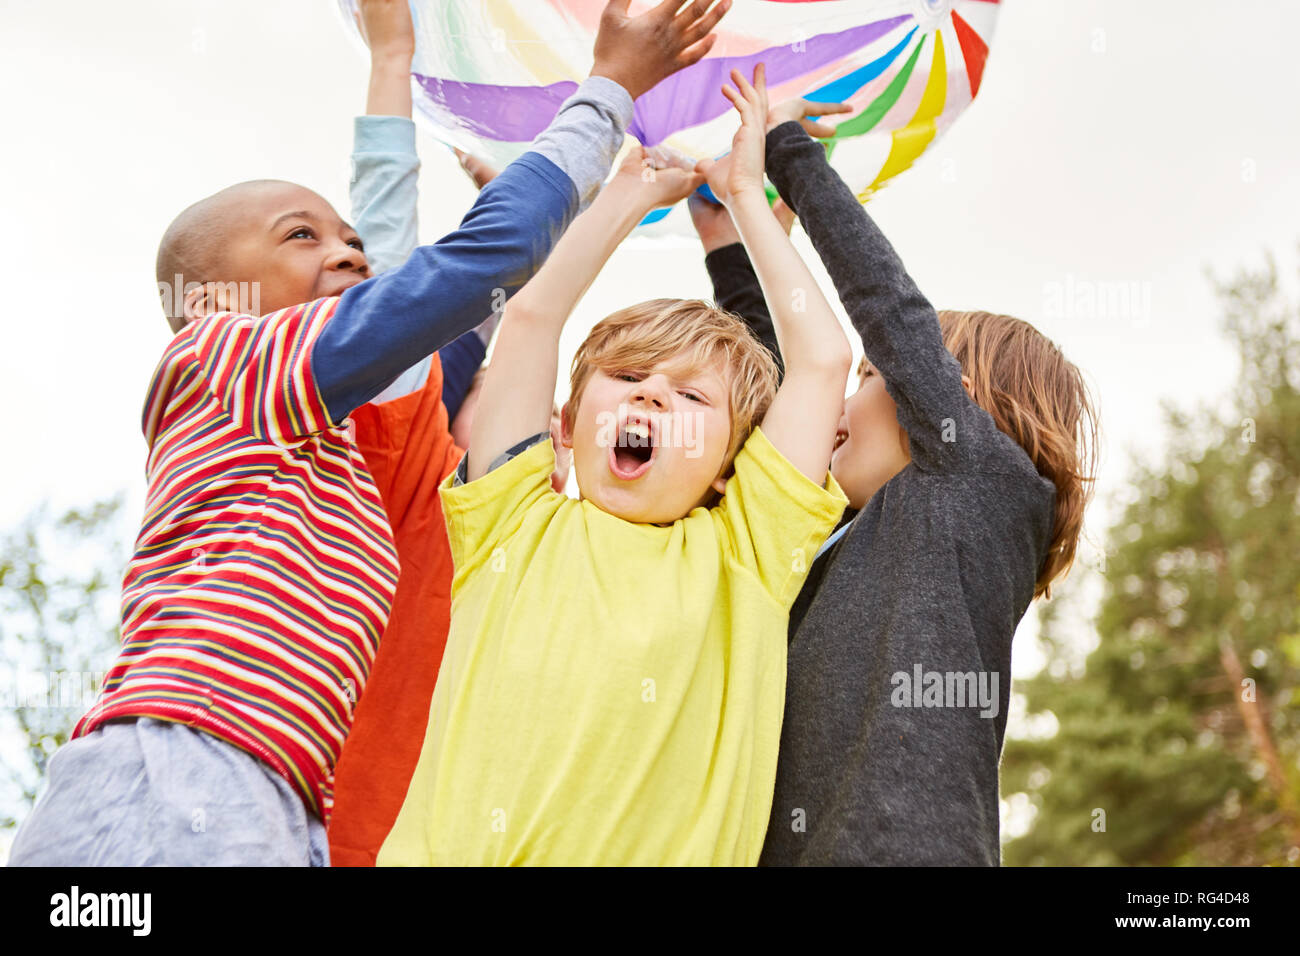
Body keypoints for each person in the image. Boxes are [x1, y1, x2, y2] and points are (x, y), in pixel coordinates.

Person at [7, 0, 732, 867]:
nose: (351, 254)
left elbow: (447, 314)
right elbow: (465, 271)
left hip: (280, 797)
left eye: (350, 242)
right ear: (206, 299)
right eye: (301, 236)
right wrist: (609, 88)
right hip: (179, 768)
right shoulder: (227, 357)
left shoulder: (329, 438)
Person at [377, 66, 851, 866]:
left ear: (733, 466)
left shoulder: (749, 557)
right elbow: (530, 315)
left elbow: (821, 361)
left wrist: (744, 193)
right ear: (563, 426)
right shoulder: (509, 524)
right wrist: (623, 196)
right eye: (628, 379)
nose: (655, 396)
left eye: (693, 399)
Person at [743, 103, 1099, 866]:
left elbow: (888, 307)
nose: (841, 402)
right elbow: (784, 398)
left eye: (871, 377)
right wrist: (732, 240)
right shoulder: (841, 537)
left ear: (952, 399)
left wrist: (786, 150)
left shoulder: (977, 484)